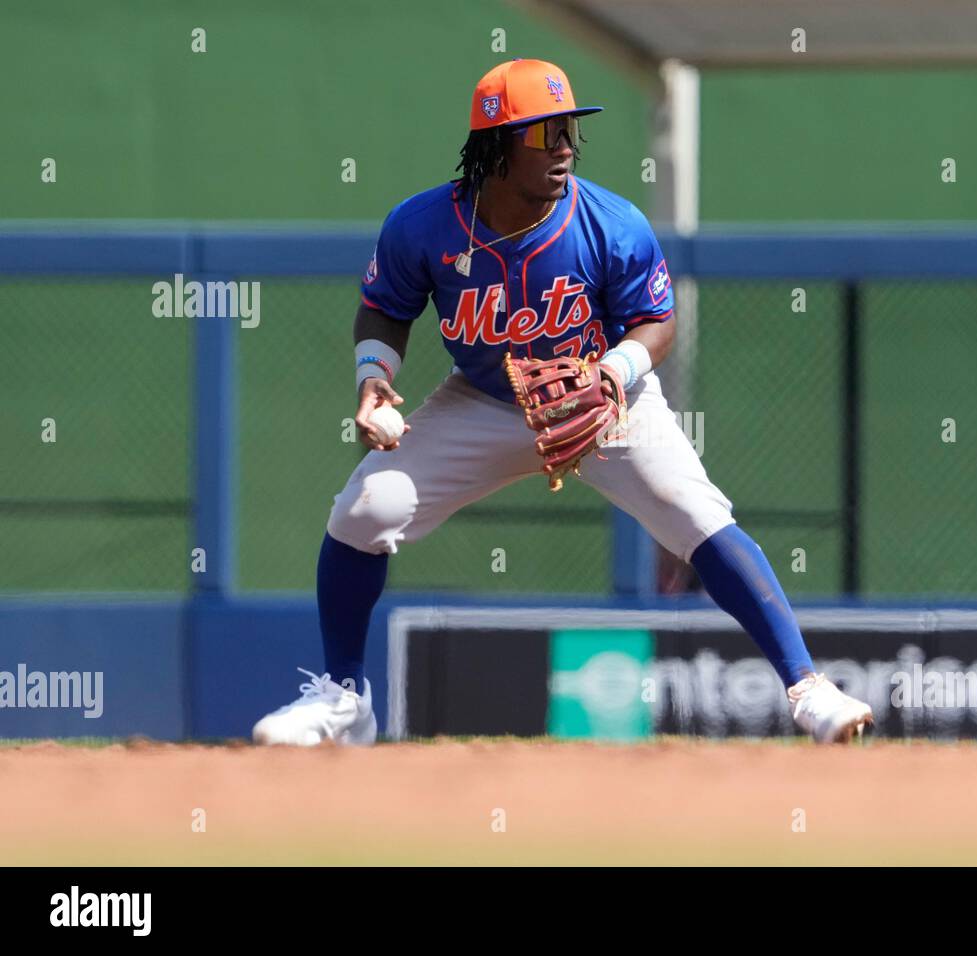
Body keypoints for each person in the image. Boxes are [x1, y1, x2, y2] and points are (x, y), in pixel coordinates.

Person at [251, 59, 873, 746]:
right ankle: (344, 701)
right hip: (484, 401)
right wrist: (374, 378)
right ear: (495, 147)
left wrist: (613, 372)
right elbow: (384, 309)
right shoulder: (423, 226)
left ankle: (808, 689)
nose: (565, 146)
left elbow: (657, 321)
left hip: (608, 399)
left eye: (568, 129)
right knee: (364, 511)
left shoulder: (611, 222)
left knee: (697, 515)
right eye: (544, 132)